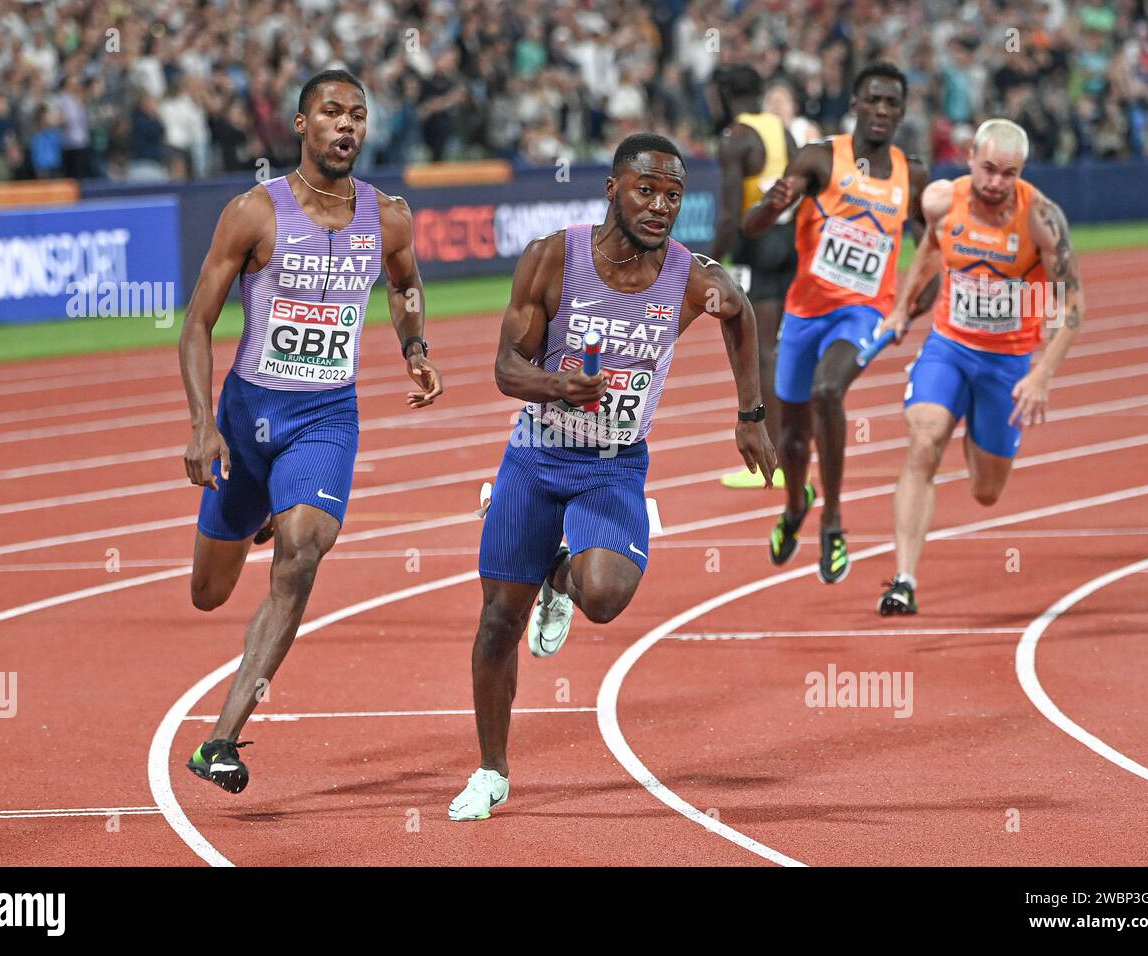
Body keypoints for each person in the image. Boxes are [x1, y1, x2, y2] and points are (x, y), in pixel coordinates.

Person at [449, 133, 777, 821]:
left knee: (603, 595)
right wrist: (555, 385)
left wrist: (750, 414)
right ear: (612, 189)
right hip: (537, 456)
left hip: (613, 465)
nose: (660, 206)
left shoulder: (690, 277)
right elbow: (506, 369)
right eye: (647, 189)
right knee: (497, 624)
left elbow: (740, 313)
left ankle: (558, 572)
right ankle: (490, 771)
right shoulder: (552, 260)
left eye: (673, 195)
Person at [177, 70, 443, 793]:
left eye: (358, 114)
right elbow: (197, 324)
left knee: (303, 551)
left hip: (326, 417)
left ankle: (221, 740)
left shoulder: (388, 216)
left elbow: (405, 280)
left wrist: (414, 347)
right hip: (244, 419)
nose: (346, 125)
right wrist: (203, 426)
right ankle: (257, 505)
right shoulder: (251, 213)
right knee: (208, 591)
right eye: (331, 112)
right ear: (300, 124)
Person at [876, 118, 1085, 614]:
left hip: (1008, 361)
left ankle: (975, 425)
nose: (996, 182)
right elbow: (929, 250)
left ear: (1021, 173)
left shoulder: (1042, 219)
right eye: (988, 169)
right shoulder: (943, 201)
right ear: (970, 158)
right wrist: (903, 308)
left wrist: (1042, 374)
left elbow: (1072, 303)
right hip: (949, 346)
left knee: (987, 492)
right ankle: (903, 580)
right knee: (924, 439)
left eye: (1008, 173)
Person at [743, 62, 929, 583]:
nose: (882, 110)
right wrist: (771, 204)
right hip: (805, 313)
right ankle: (795, 509)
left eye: (892, 103)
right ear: (855, 102)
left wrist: (908, 308)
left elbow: (932, 253)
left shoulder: (911, 173)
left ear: (902, 111)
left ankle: (834, 522)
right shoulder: (821, 158)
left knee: (830, 389)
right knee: (793, 443)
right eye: (873, 100)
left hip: (864, 311)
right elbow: (751, 226)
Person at [711, 66, 798, 489]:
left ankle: (775, 458)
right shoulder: (784, 132)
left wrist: (705, 262)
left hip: (755, 246)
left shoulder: (736, 138)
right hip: (789, 243)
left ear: (724, 94)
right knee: (779, 347)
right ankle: (790, 446)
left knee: (759, 350)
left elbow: (729, 216)